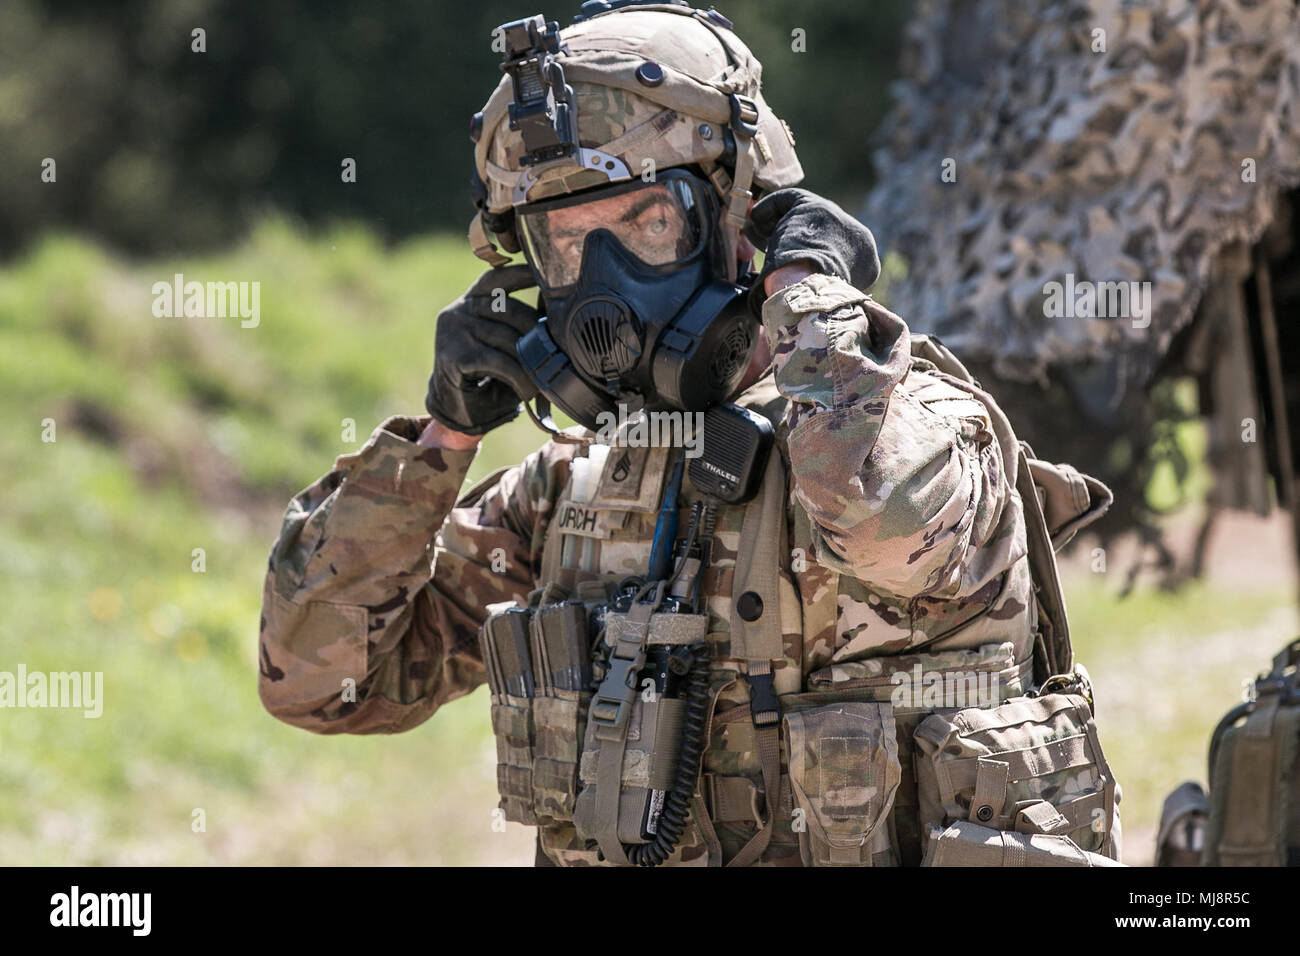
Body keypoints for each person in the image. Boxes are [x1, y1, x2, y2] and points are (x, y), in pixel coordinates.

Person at [258, 0, 1121, 867]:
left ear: (738, 222)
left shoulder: (925, 429)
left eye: (644, 224)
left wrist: (811, 302)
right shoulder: (572, 490)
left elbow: (872, 511)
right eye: (566, 244)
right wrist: (439, 439)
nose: (603, 288)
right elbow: (322, 685)